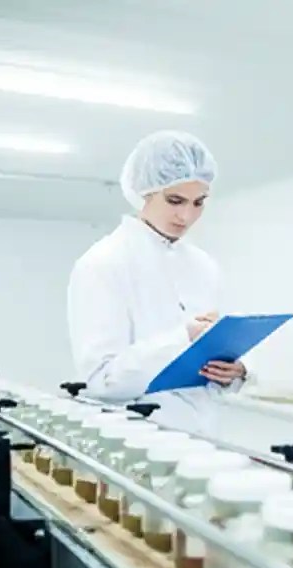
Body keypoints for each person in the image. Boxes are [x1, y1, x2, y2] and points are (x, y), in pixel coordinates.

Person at [66, 130, 245, 435]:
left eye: (199, 202)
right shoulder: (103, 263)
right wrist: (183, 338)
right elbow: (101, 380)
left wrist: (234, 373)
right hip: (135, 441)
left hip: (203, 439)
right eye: (175, 200)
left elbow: (207, 382)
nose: (186, 216)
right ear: (143, 192)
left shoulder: (204, 266)